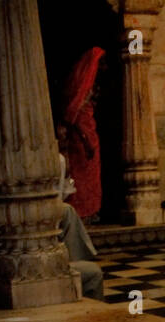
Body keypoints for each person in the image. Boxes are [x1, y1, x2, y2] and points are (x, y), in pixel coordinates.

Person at [62, 47, 104, 222]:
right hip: (81, 138)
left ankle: (89, 211)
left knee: (90, 175)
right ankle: (82, 212)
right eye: (101, 64)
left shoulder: (90, 84)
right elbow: (75, 115)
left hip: (88, 133)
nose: (104, 67)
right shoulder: (83, 88)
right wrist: (86, 141)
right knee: (80, 177)